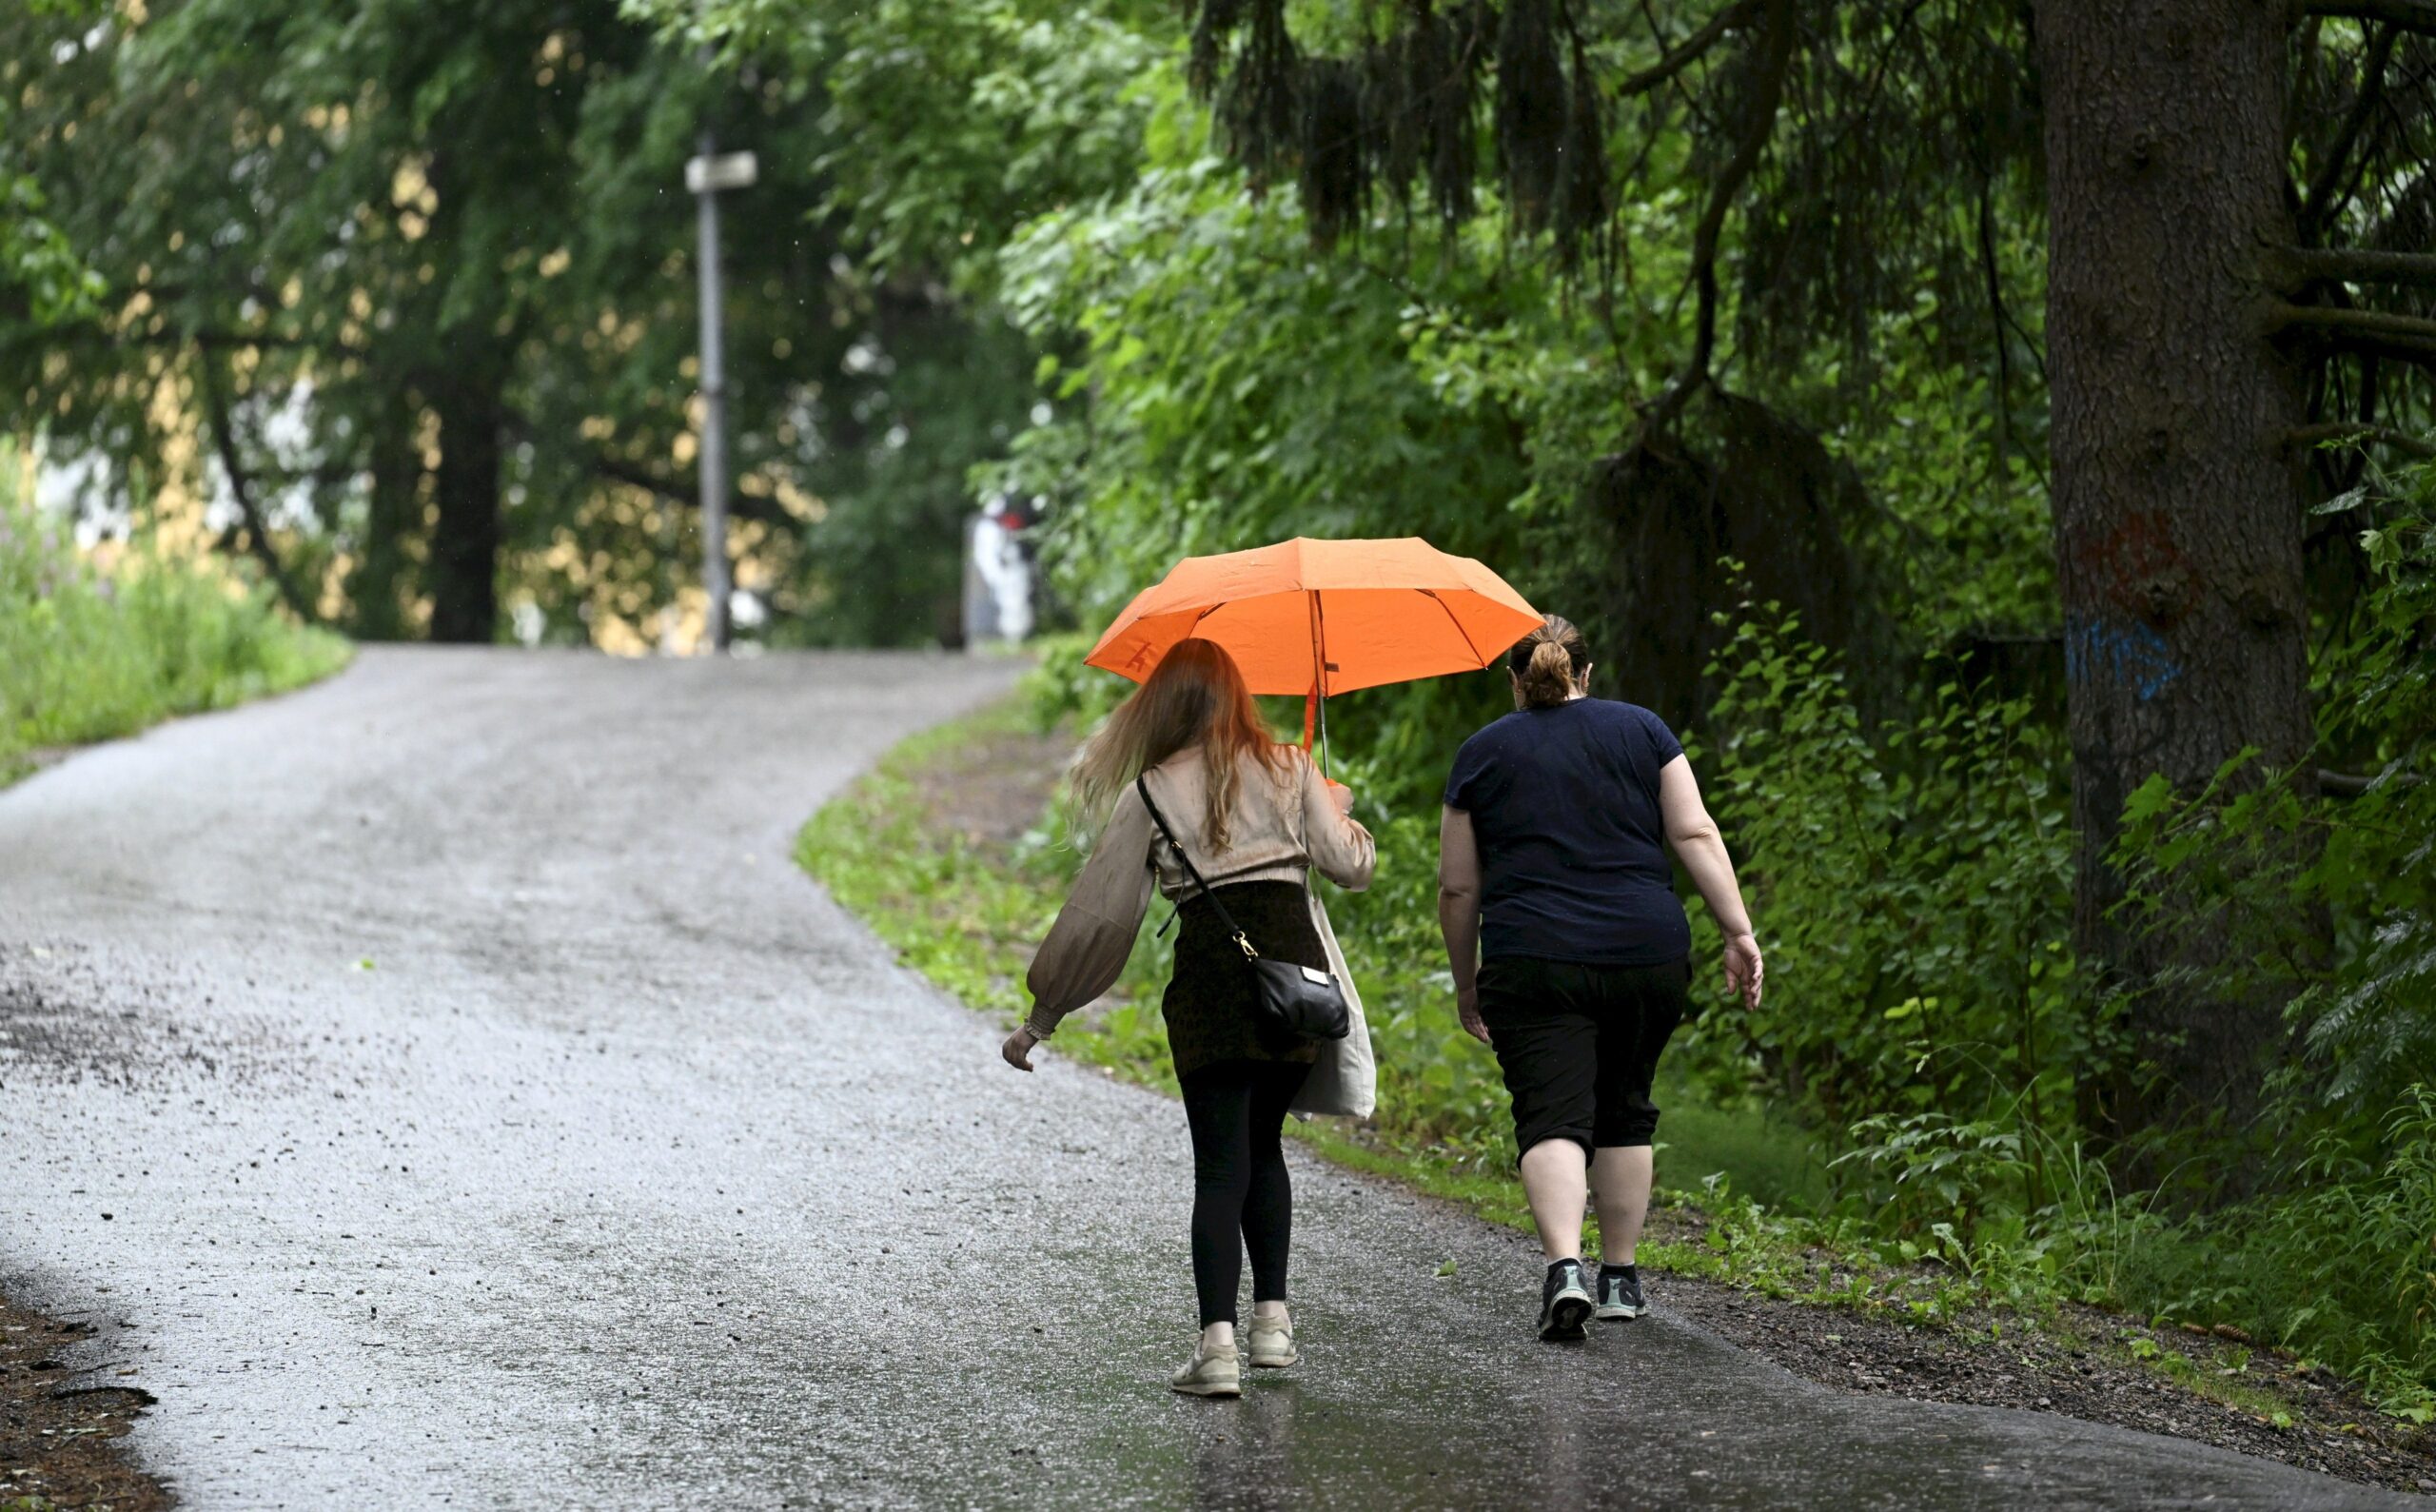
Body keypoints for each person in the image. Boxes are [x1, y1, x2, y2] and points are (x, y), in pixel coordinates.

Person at [1002, 638, 1376, 1397]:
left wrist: (1045, 1013)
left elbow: (1102, 916)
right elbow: (1352, 866)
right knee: (1264, 1148)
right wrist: (1337, 812)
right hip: (1295, 986)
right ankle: (1272, 1326)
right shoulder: (1291, 766)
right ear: (1237, 695)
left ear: (1164, 706)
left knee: (1220, 1165)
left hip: (1214, 986)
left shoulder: (1150, 791)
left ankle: (1218, 1349)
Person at [1437, 615, 1763, 1341]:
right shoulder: (1645, 731)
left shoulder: (1481, 752)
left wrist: (1466, 981)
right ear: (1586, 674)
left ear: (1516, 680)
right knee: (1624, 1107)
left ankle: (1565, 1269)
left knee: (1551, 1114)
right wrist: (1737, 930)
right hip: (1646, 952)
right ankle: (1620, 1277)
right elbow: (1694, 832)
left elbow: (1457, 888)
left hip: (1534, 957)